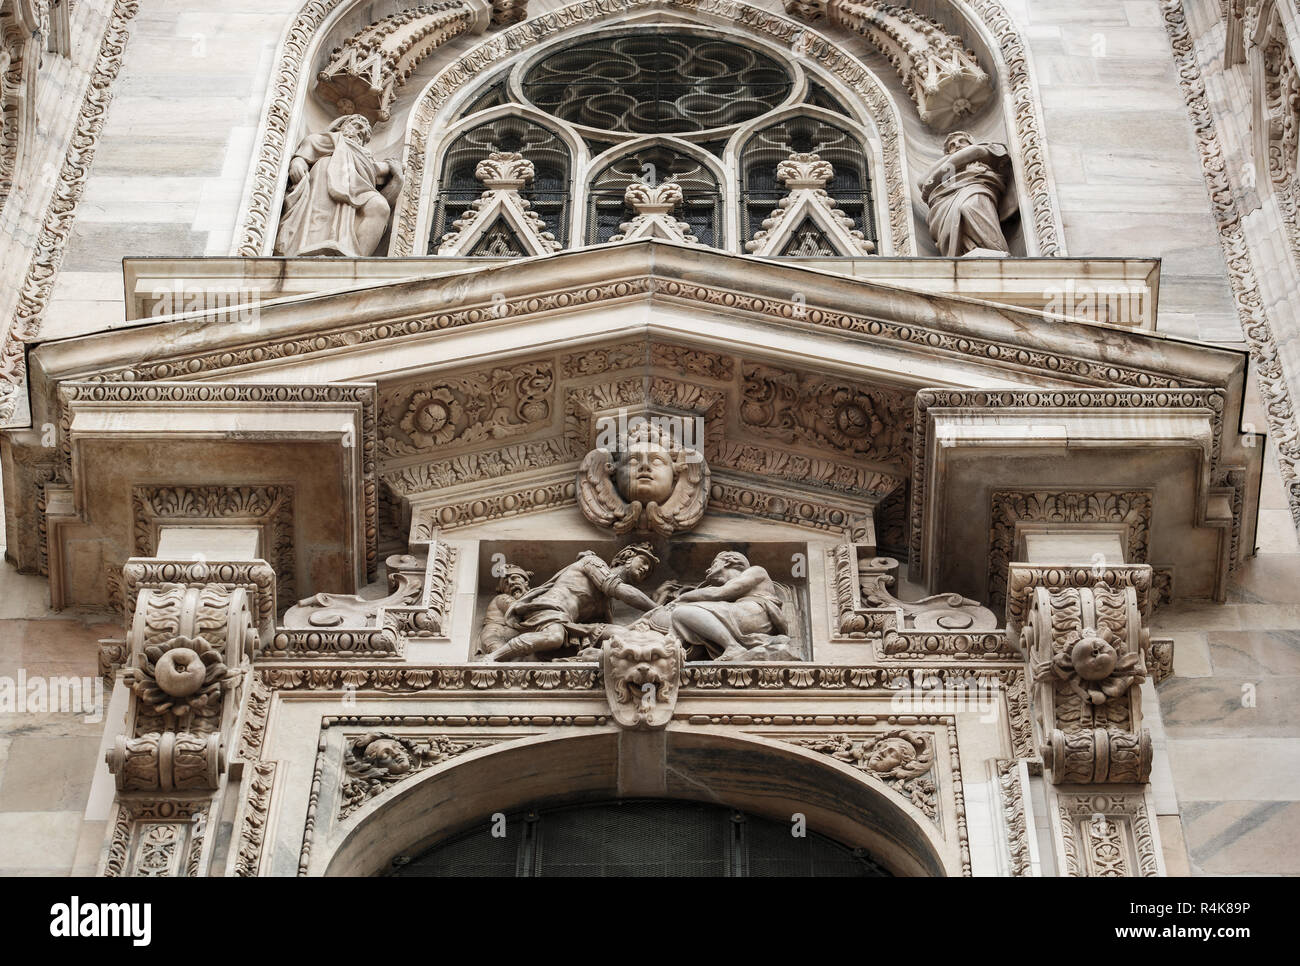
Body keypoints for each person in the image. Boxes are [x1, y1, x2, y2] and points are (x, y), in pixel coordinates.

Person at [485, 545, 659, 661]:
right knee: (554, 637)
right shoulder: (593, 563)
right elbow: (621, 590)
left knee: (618, 633)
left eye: (649, 570)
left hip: (567, 622)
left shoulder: (606, 602)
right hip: (549, 607)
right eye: (644, 562)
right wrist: (659, 608)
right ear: (627, 556)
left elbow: (605, 629)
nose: (645, 569)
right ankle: (493, 658)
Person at [274, 113, 402, 257]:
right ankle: (313, 244)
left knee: (380, 206)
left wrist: (398, 179)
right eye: (357, 125)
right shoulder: (328, 140)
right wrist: (299, 161)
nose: (361, 131)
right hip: (326, 177)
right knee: (321, 211)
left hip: (358, 187)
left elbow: (381, 186)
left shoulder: (366, 158)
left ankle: (358, 260)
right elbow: (308, 149)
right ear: (341, 126)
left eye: (365, 133)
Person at [666, 551, 792, 660]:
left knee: (681, 613)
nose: (708, 570)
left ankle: (732, 647)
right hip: (747, 616)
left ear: (728, 562)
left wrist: (682, 598)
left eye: (714, 564)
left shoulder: (757, 571)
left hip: (754, 614)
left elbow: (720, 593)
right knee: (684, 618)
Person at [919, 130, 1017, 257]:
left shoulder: (985, 148)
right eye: (952, 145)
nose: (957, 145)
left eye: (961, 141)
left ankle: (992, 249)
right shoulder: (950, 167)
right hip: (945, 200)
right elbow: (921, 182)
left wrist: (938, 175)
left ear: (971, 142)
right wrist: (948, 158)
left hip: (974, 187)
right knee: (951, 223)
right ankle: (962, 253)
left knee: (969, 206)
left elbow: (974, 152)